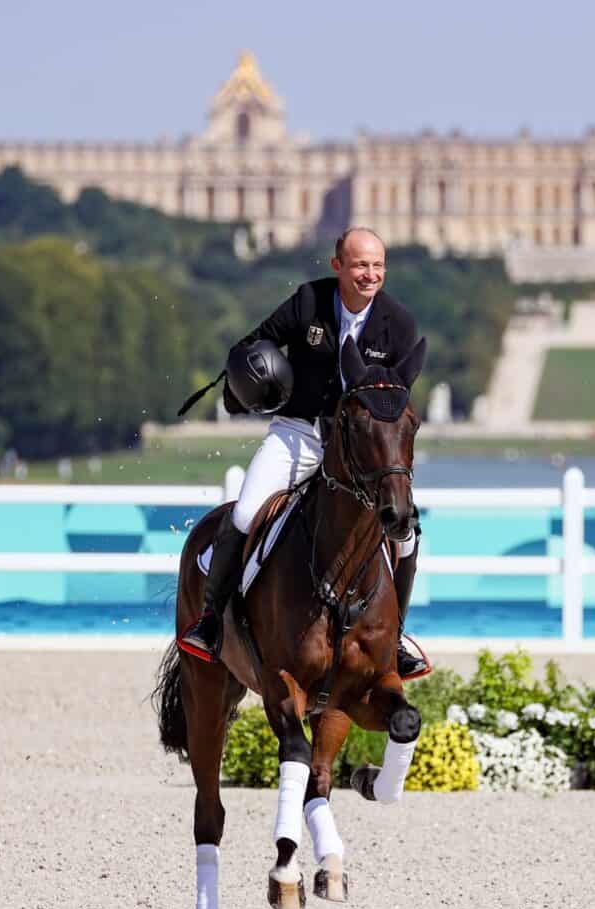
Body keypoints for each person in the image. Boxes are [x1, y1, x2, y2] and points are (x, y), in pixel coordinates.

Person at [178, 227, 429, 679]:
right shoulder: (308, 303)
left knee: (405, 534)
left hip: (359, 449)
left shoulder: (400, 325)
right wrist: (254, 380)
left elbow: (393, 403)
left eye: (376, 266)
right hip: (300, 433)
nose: (369, 275)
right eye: (359, 265)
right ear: (339, 267)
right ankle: (212, 622)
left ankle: (397, 638)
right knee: (245, 512)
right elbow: (252, 344)